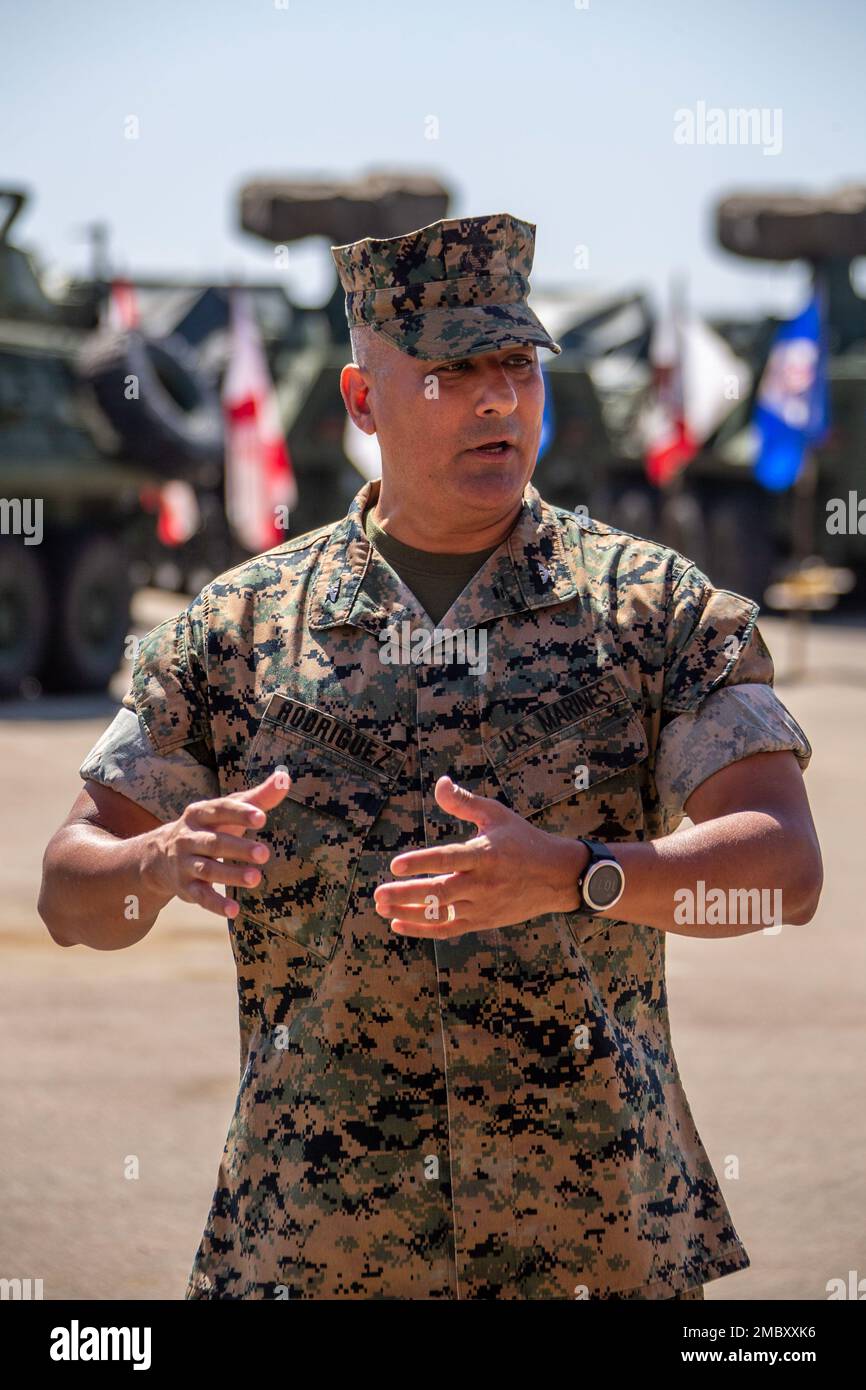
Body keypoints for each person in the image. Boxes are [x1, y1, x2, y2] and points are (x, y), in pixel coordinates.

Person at [39, 212, 822, 1301]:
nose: (500, 398)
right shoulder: (236, 628)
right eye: (455, 371)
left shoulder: (652, 610)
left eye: (516, 363)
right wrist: (157, 862)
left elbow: (783, 872)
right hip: (315, 1251)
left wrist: (578, 874)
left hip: (589, 1247)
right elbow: (66, 896)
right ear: (362, 401)